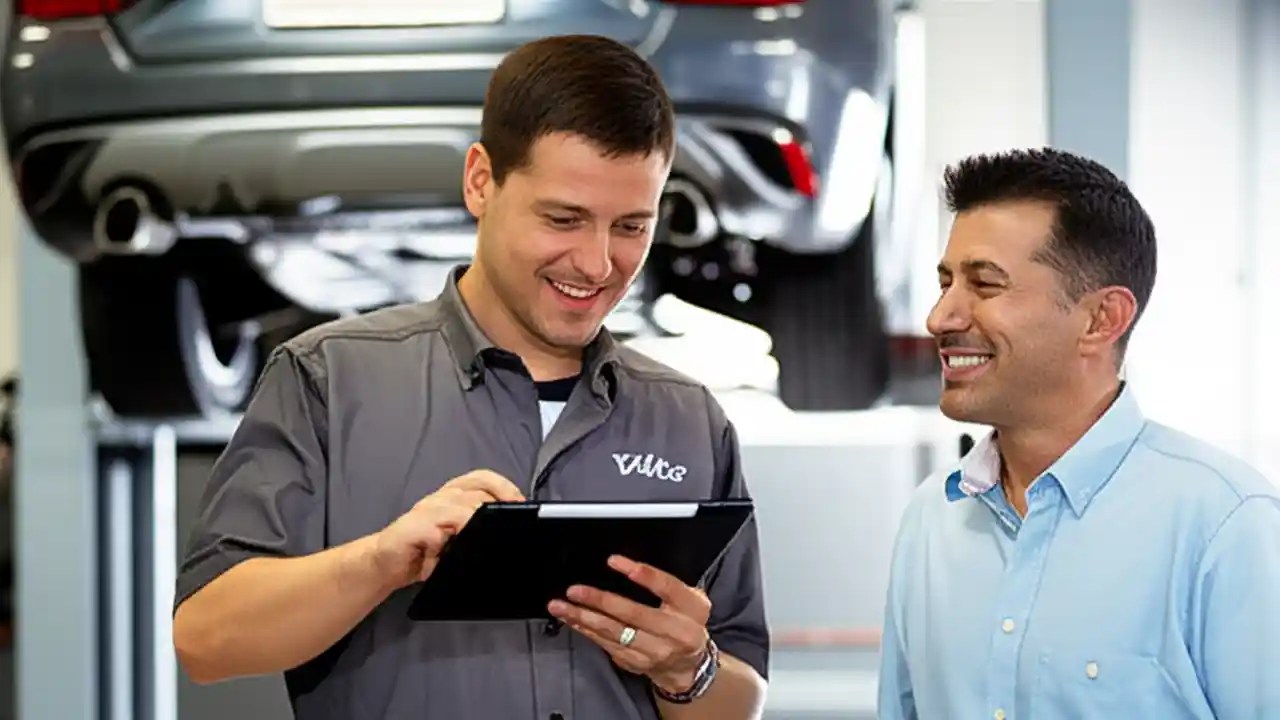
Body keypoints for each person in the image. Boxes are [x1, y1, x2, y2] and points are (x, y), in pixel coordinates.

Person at [172, 35, 769, 720]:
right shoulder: (329, 381)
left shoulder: (690, 421)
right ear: (481, 180)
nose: (599, 263)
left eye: (631, 225)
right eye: (563, 219)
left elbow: (741, 697)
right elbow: (205, 637)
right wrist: (383, 560)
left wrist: (684, 668)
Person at [878, 147, 1280, 719]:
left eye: (985, 285)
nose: (941, 317)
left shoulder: (1225, 526)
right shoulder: (930, 521)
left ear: (1101, 319)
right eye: (945, 283)